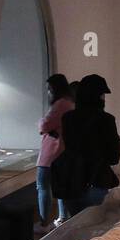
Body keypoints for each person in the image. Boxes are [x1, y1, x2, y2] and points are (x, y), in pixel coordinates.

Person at [53, 73, 120, 215]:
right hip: (96, 179)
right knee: (93, 228)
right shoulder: (106, 119)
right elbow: (114, 156)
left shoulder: (68, 118)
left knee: (75, 226)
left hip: (71, 180)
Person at [35, 74, 75, 229]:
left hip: (50, 153)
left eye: (50, 88)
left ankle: (44, 222)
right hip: (62, 152)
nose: (49, 92)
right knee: (61, 187)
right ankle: (63, 218)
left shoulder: (60, 104)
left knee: (43, 186)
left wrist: (41, 124)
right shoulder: (69, 102)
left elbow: (44, 125)